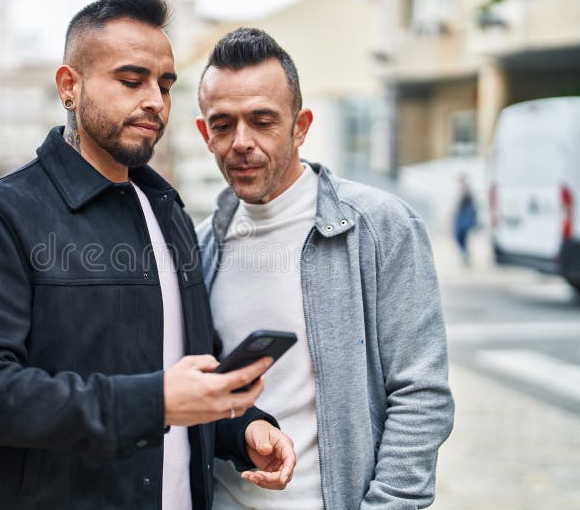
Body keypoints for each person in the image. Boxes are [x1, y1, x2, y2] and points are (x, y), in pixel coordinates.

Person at [0, 0, 295, 510]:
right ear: (69, 87)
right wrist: (153, 401)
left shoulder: (170, 212)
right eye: (131, 81)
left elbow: (190, 369)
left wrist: (246, 430)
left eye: (165, 86)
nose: (155, 101)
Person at [195, 28, 455, 510]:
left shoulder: (379, 227)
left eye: (262, 120)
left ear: (300, 125)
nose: (241, 142)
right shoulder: (199, 247)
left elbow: (422, 396)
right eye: (223, 124)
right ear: (203, 133)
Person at [454, 174, 478, 265]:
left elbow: (469, 208)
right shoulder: (465, 190)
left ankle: (465, 255)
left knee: (460, 237)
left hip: (464, 220)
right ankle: (465, 255)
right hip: (464, 219)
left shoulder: (466, 190)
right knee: (462, 238)